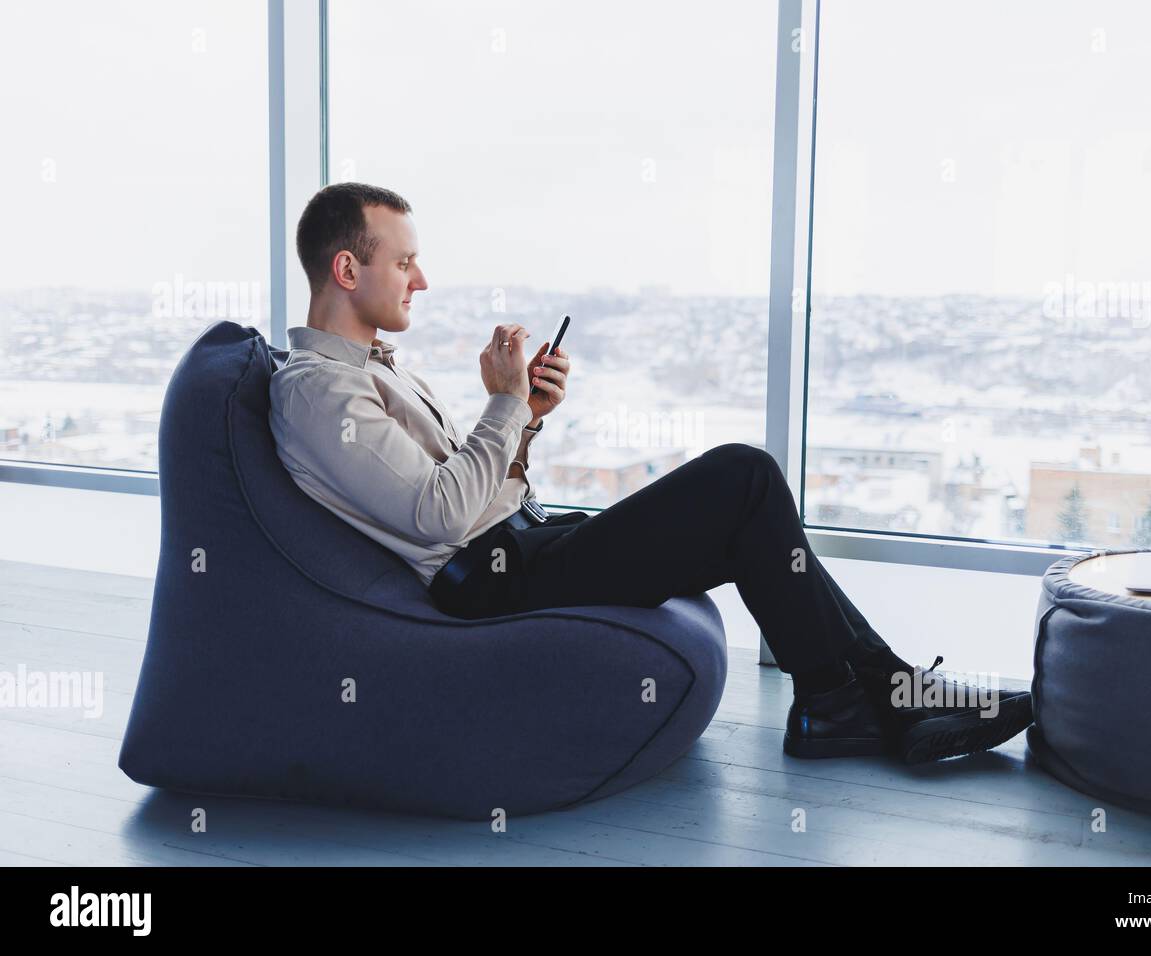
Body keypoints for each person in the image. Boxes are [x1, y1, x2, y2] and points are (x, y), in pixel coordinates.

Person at [269, 182, 1034, 766]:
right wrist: (501, 405)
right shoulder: (317, 390)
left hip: (519, 546)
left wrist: (525, 416)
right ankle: (854, 700)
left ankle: (861, 696)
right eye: (404, 261)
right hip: (492, 580)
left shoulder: (369, 369)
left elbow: (467, 493)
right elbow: (438, 517)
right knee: (745, 474)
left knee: (747, 520)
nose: (420, 280)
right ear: (346, 267)